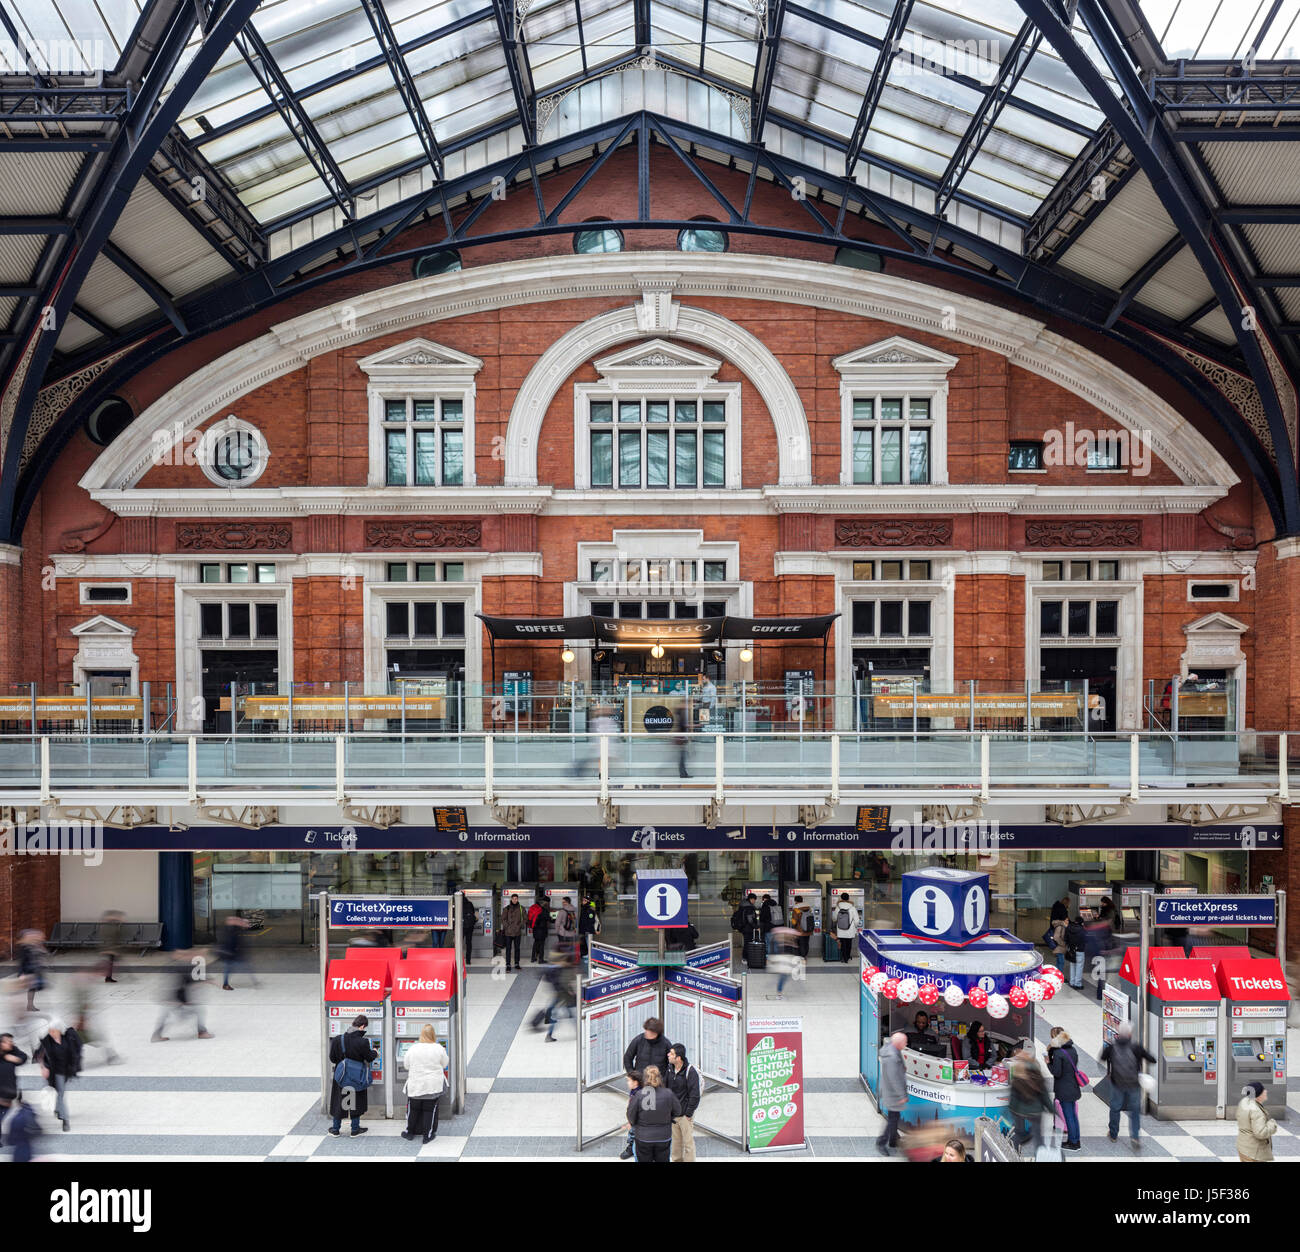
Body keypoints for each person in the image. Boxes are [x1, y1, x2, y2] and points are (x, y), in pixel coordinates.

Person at [620, 1017, 671, 1159]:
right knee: (635, 1116)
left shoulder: (665, 1044)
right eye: (645, 1030)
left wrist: (663, 1082)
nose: (646, 1033)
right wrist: (632, 1075)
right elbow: (627, 1057)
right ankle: (631, 1145)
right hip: (640, 1087)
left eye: (648, 1031)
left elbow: (670, 1066)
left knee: (653, 1116)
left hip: (656, 1087)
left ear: (656, 1032)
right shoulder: (639, 1040)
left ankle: (654, 1144)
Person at [1099, 1022, 1156, 1148]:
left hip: (1117, 1083)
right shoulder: (1136, 1047)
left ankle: (1113, 1134)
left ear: (1119, 1033)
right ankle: (1135, 1137)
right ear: (1130, 1034)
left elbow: (1102, 1059)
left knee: (1115, 1108)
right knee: (1134, 1111)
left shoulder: (1112, 1047)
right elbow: (1152, 1059)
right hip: (1134, 1083)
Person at [328, 1015, 377, 1137]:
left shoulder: (337, 1039)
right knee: (356, 1101)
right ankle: (354, 1129)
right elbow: (369, 1058)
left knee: (339, 1101)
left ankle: (335, 1129)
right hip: (357, 1076)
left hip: (341, 1076)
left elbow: (332, 1058)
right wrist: (375, 1052)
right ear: (362, 1026)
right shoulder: (363, 1041)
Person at [400, 1023, 449, 1144]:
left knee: (413, 1110)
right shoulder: (439, 1048)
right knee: (429, 1111)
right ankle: (427, 1135)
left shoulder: (413, 1048)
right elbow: (444, 1064)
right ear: (433, 1035)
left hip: (415, 1086)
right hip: (432, 1086)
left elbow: (406, 1065)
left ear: (421, 1035)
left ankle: (409, 1132)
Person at [151, 950, 215, 1042]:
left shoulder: (176, 967)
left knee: (167, 1014)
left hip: (175, 1002)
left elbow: (191, 980)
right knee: (199, 1010)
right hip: (176, 1002)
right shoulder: (178, 968)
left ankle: (156, 1035)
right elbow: (188, 981)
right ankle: (202, 1032)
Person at [34, 1018, 81, 1133]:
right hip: (53, 1072)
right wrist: (43, 1067)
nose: (51, 1033)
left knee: (60, 1094)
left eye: (53, 1030)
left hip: (65, 1072)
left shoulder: (68, 1039)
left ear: (59, 1030)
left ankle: (61, 1114)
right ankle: (63, 1117)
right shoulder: (47, 1041)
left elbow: (75, 1051)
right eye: (50, 1030)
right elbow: (38, 1055)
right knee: (60, 1094)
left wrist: (74, 1066)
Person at [627, 1065, 681, 1163]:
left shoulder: (639, 1094)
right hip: (663, 1136)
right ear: (659, 1077)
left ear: (644, 1078)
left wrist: (635, 1124)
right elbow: (678, 1111)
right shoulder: (668, 1093)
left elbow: (630, 1115)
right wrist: (669, 1118)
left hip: (643, 1137)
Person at [1047, 1026, 1084, 1152]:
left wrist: (1048, 1062)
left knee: (1069, 1116)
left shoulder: (1058, 1053)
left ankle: (1073, 1143)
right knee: (1073, 1115)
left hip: (1064, 1089)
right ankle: (1075, 1139)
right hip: (1073, 1087)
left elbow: (1056, 1072)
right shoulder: (1072, 1050)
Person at [1007, 1047, 1051, 1152]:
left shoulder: (1017, 1077)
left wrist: (1009, 1110)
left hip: (1020, 1111)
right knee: (1038, 1137)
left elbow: (1013, 1099)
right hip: (1036, 1111)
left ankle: (1013, 1151)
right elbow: (1044, 1095)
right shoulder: (1037, 1075)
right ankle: (1040, 1156)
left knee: (1019, 1133)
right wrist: (1051, 1109)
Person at [665, 1043, 701, 1162]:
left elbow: (694, 1096)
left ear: (678, 1058)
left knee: (688, 1145)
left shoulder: (690, 1072)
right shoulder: (670, 1068)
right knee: (676, 1145)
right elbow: (666, 1088)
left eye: (671, 1054)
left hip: (685, 1115)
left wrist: (688, 1114)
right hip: (674, 1114)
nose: (668, 1055)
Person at [875, 1031, 908, 1154]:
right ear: (898, 1043)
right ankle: (881, 1142)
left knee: (894, 1116)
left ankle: (894, 1140)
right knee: (893, 1118)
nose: (906, 1044)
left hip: (890, 1091)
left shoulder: (892, 1048)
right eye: (904, 1042)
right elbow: (894, 1079)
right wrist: (902, 1095)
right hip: (892, 1093)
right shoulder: (892, 1057)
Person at [1236, 1081, 1279, 1162]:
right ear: (1258, 1095)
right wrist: (1272, 1125)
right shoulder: (1256, 1111)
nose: (1266, 1091)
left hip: (1243, 1147)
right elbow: (1260, 1133)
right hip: (1254, 1153)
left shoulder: (1244, 1102)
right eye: (1263, 1090)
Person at [541, 950, 578, 1042]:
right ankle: (549, 1035)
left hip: (560, 995)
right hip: (562, 996)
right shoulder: (562, 969)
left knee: (566, 1013)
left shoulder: (559, 968)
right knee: (556, 1015)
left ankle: (549, 1035)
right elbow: (564, 983)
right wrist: (570, 991)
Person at [217, 914, 256, 990]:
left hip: (233, 953)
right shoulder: (231, 930)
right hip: (231, 953)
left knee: (233, 968)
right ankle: (225, 985)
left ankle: (254, 981)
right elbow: (231, 942)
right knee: (235, 968)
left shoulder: (234, 929)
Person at [0, 1032, 27, 1133]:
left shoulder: (12, 1051)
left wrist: (15, 1059)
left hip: (9, 1092)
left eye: (11, 1042)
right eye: (8, 1042)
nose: (11, 1044)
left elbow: (23, 1057)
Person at [16, 929, 47, 1012]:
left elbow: (41, 954)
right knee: (28, 988)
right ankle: (26, 1006)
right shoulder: (23, 947)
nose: (31, 937)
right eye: (29, 936)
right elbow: (21, 961)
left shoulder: (31, 945)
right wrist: (21, 973)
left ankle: (30, 1005)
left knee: (32, 988)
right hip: (26, 971)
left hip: (32, 970)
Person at [768, 923, 802, 998]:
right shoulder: (783, 941)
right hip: (783, 959)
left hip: (786, 959)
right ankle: (779, 993)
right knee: (783, 976)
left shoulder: (788, 941)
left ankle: (779, 992)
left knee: (784, 976)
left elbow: (795, 950)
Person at [5, 1093, 39, 1162]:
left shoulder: (18, 1117)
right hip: (27, 1147)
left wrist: (9, 1140)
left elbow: (11, 1138)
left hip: (20, 1149)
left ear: (18, 1102)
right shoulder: (29, 1111)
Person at [499, 892, 525, 972]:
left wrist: (519, 926)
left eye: (516, 899)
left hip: (517, 932)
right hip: (508, 932)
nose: (514, 900)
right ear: (511, 899)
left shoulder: (521, 908)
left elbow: (525, 919)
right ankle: (508, 964)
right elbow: (503, 919)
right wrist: (507, 926)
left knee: (517, 948)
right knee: (508, 949)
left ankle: (517, 963)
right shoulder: (506, 908)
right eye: (513, 899)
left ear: (517, 899)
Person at [832, 892, 860, 963]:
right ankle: (847, 957)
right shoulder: (852, 907)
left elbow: (834, 918)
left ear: (841, 898)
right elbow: (857, 920)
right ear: (848, 898)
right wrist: (854, 926)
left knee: (842, 943)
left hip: (841, 929)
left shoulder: (838, 907)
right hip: (850, 930)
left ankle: (843, 957)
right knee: (849, 943)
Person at [100, 909, 125, 983]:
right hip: (110, 948)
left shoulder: (114, 926)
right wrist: (109, 949)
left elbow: (116, 937)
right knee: (110, 963)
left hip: (112, 948)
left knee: (110, 962)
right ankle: (108, 977)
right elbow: (109, 938)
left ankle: (108, 977)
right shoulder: (108, 927)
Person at [1064, 915, 1086, 988]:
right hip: (1080, 950)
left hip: (1071, 950)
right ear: (1081, 923)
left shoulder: (1068, 927)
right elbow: (1085, 940)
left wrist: (1070, 946)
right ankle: (1078, 984)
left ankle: (1072, 982)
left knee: (1072, 966)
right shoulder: (1082, 930)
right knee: (1079, 967)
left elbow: (1065, 939)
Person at [528, 895, 550, 964]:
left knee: (536, 944)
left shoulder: (535, 907)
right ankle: (541, 959)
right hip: (542, 930)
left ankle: (533, 958)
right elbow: (549, 919)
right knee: (541, 945)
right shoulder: (543, 910)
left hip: (535, 929)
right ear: (546, 902)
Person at [460, 894, 478, 966]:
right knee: (469, 943)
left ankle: (459, 959)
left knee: (459, 944)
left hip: (461, 927)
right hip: (470, 926)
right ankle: (468, 960)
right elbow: (473, 913)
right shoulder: (470, 903)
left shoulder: (458, 904)